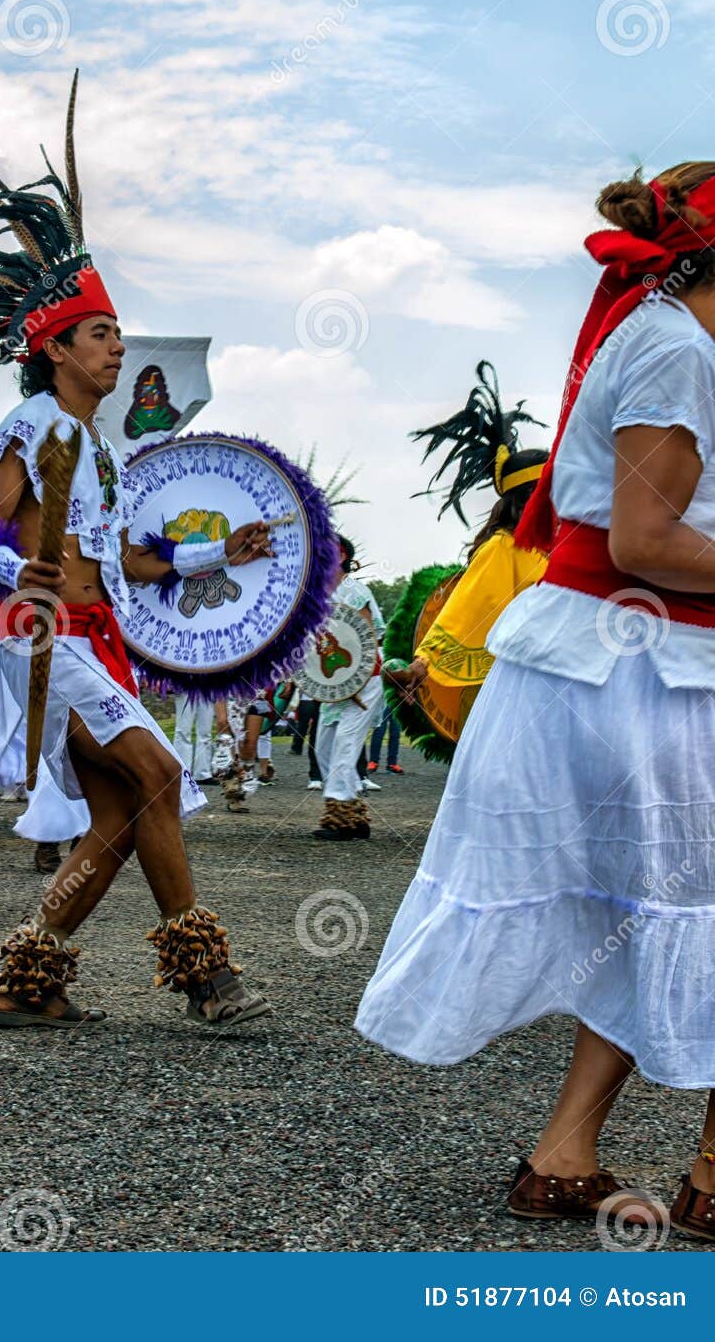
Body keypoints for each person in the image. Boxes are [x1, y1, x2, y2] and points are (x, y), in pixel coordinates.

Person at [0, 73, 275, 1030]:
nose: (117, 348)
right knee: (157, 773)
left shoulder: (103, 448)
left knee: (120, 816)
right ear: (59, 348)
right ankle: (205, 978)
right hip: (44, 636)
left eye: (116, 333)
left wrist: (218, 558)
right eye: (101, 334)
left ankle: (24, 984)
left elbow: (132, 562)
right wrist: (9, 568)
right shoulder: (31, 424)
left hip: (99, 631)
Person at [357, 162, 715, 1237]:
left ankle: (563, 1157)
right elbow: (641, 542)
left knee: (651, 916)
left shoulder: (662, 333)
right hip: (641, 672)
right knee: (675, 912)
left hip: (630, 669)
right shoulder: (675, 345)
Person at [382, 362, 549, 763]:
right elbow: (461, 613)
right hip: (512, 690)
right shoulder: (501, 549)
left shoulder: (561, 549)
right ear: (530, 499)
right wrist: (422, 665)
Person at [312, 535, 383, 842]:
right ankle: (355, 815)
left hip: (363, 682)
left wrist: (356, 680)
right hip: (336, 684)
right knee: (324, 746)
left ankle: (338, 818)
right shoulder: (317, 597)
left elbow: (367, 637)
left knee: (345, 743)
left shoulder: (355, 591)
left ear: (340, 555)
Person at [173, 692, 213, 785]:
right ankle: (183, 772)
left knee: (206, 731)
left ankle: (203, 773)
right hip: (185, 684)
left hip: (207, 684)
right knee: (183, 730)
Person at [366, 702, 402, 776]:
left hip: (397, 701)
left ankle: (392, 764)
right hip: (384, 700)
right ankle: (373, 761)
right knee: (379, 731)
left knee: (396, 733)